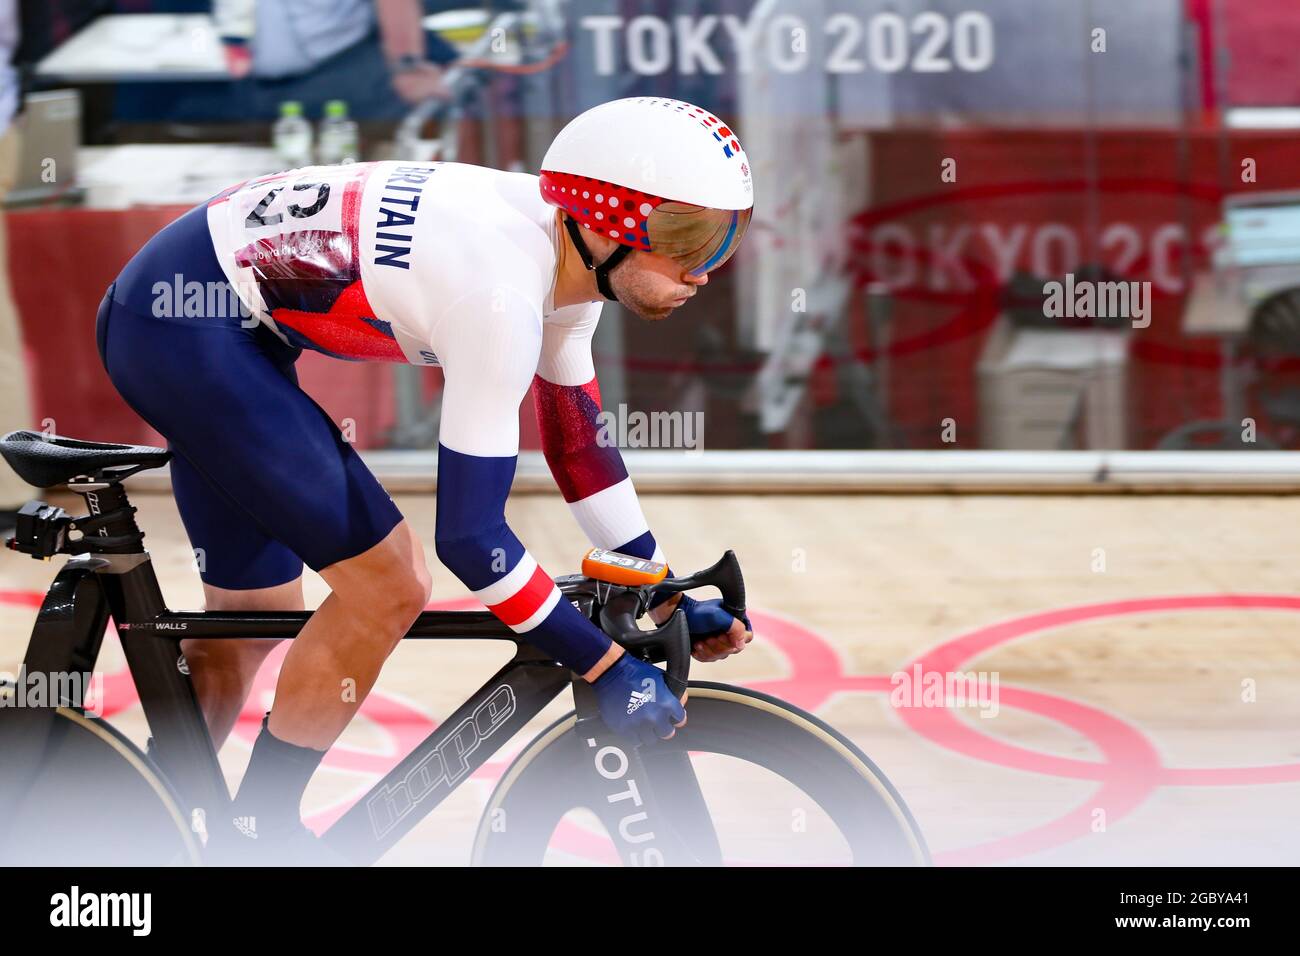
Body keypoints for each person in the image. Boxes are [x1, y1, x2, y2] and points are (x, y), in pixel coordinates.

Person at [94, 96, 755, 862]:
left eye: (723, 237)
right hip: (182, 326)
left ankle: (133, 832)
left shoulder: (564, 266)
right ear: (603, 222)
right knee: (390, 584)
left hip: (209, 316)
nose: (704, 271)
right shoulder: (502, 296)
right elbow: (471, 540)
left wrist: (664, 591)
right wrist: (604, 665)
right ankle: (258, 838)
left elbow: (580, 454)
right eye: (688, 237)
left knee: (246, 626)